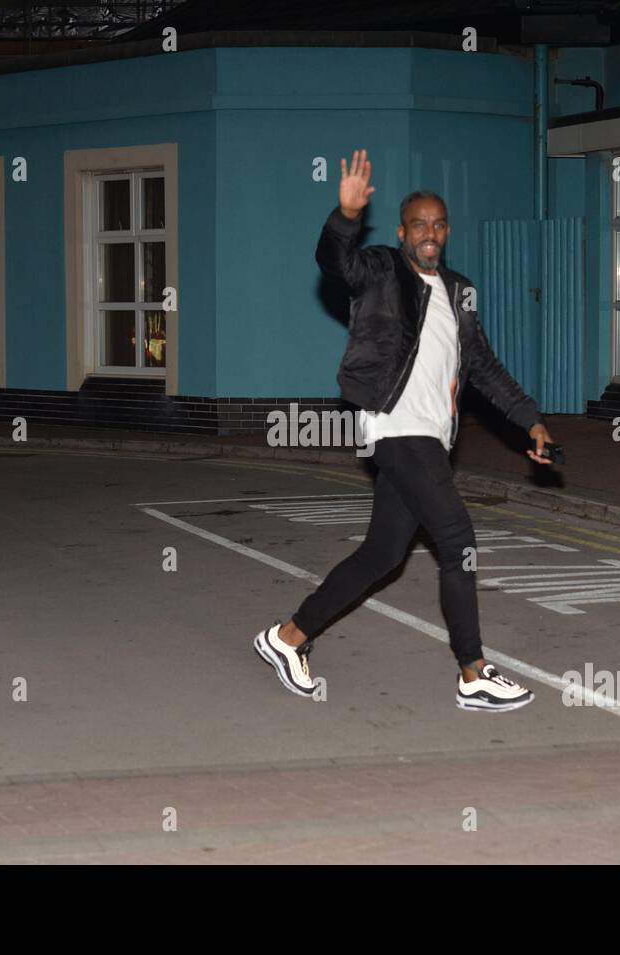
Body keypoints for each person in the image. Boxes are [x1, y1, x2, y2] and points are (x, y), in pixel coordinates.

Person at [254, 148, 556, 712]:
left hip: (430, 435)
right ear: (401, 231)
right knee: (458, 540)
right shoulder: (380, 270)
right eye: (419, 224)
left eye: (439, 224)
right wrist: (344, 215)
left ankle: (287, 637)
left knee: (383, 555)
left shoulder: (459, 291)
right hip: (395, 426)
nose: (430, 233)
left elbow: (484, 367)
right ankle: (473, 672)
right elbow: (333, 263)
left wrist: (529, 419)